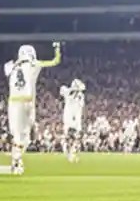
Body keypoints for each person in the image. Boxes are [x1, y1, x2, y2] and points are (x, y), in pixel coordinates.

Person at [5, 42, 63, 174]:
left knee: (18, 136)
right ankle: (17, 160)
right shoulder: (33, 64)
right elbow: (55, 61)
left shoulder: (10, 66)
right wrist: (57, 48)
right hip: (27, 102)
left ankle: (16, 160)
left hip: (13, 103)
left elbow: (8, 70)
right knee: (25, 137)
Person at [60, 79, 86, 163]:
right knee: (68, 137)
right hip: (68, 117)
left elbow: (81, 106)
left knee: (77, 137)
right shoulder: (67, 92)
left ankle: (75, 153)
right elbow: (62, 91)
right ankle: (68, 152)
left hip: (76, 119)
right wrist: (73, 90)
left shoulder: (81, 96)